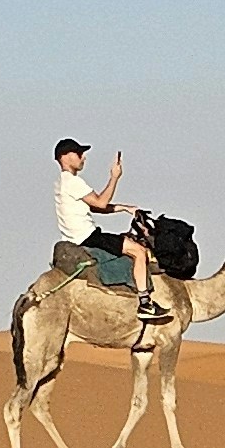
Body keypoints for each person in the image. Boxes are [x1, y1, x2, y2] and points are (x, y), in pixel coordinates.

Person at [53, 138, 168, 323]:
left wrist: (124, 208)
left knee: (127, 242)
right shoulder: (73, 182)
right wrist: (114, 177)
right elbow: (100, 202)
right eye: (79, 153)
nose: (83, 158)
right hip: (88, 237)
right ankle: (145, 303)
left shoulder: (62, 182)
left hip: (78, 237)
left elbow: (96, 206)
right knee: (139, 251)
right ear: (65, 157)